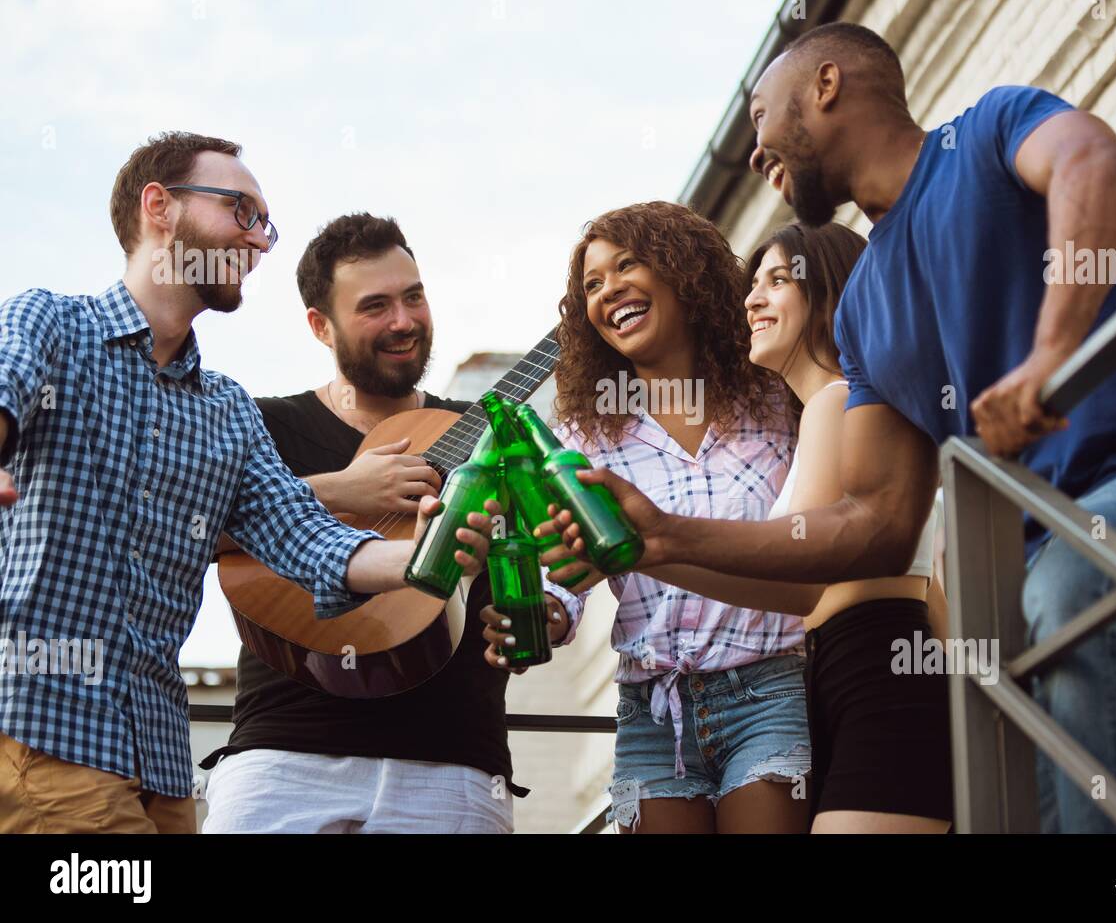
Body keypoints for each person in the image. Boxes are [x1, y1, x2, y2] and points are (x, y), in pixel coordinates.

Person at [551, 23, 1116, 833]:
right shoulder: (864, 310)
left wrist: (1051, 354)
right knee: (1032, 798)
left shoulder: (986, 132)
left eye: (760, 115)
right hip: (1012, 587)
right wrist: (664, 538)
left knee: (1070, 593)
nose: (754, 151)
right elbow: (875, 524)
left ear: (825, 85)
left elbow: (1100, 165)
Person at [0, 134, 489, 833]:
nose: (259, 242)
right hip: (44, 734)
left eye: (265, 225)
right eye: (242, 211)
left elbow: (309, 539)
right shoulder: (52, 325)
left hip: (161, 764)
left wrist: (428, 555)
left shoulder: (225, 410)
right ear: (159, 207)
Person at [548, 221, 952, 832]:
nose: (753, 301)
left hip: (791, 683)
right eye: (592, 283)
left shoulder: (795, 406)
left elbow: (799, 576)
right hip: (670, 699)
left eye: (778, 282)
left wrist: (645, 545)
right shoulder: (587, 434)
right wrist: (553, 604)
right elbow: (922, 573)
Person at [200, 213, 581, 833]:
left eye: (413, 296)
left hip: (454, 762)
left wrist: (549, 614)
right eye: (374, 306)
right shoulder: (264, 425)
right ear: (320, 326)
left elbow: (561, 558)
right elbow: (178, 529)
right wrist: (340, 492)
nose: (403, 321)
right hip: (282, 759)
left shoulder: (494, 431)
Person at [482, 201, 808, 833]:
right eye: (592, 285)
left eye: (627, 265)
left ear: (685, 273)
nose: (609, 291)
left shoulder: (777, 396)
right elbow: (563, 567)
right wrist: (544, 616)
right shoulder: (583, 433)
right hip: (651, 708)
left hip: (771, 690)